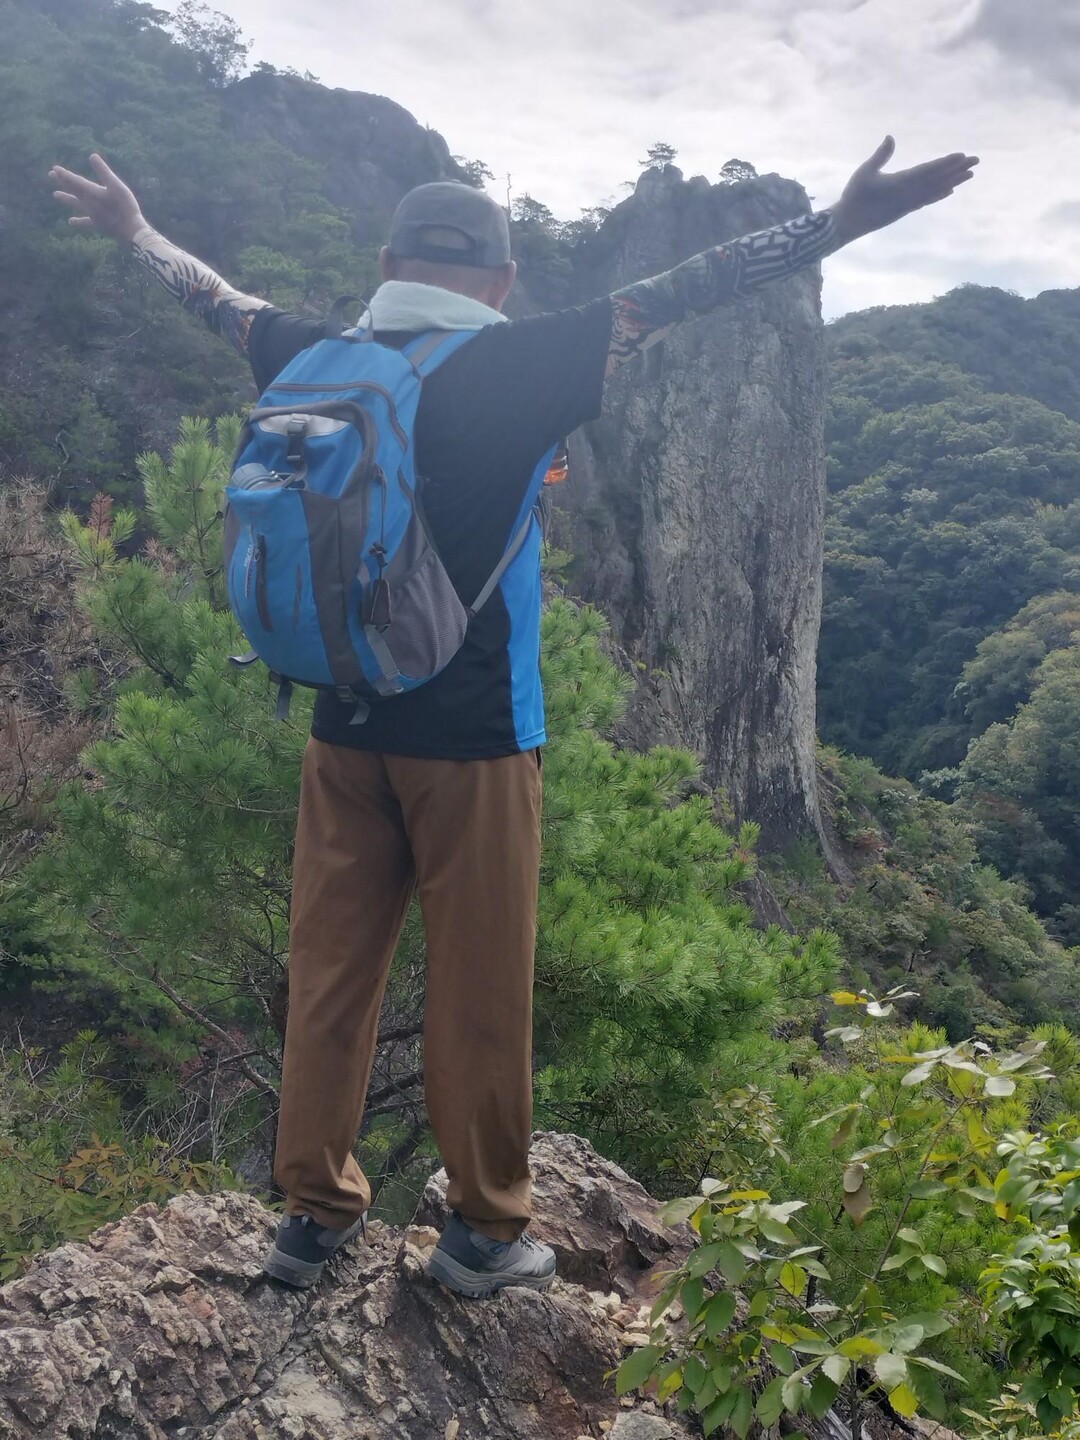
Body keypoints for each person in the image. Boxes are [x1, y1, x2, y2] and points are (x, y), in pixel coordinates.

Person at [49, 135, 977, 1297]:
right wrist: (839, 223)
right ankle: (485, 1229)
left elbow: (220, 300)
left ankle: (314, 1212)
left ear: (385, 261)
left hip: (340, 723)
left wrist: (136, 230)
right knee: (482, 980)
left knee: (330, 971)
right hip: (477, 736)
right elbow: (694, 285)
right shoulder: (529, 363)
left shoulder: (309, 356)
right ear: (497, 279)